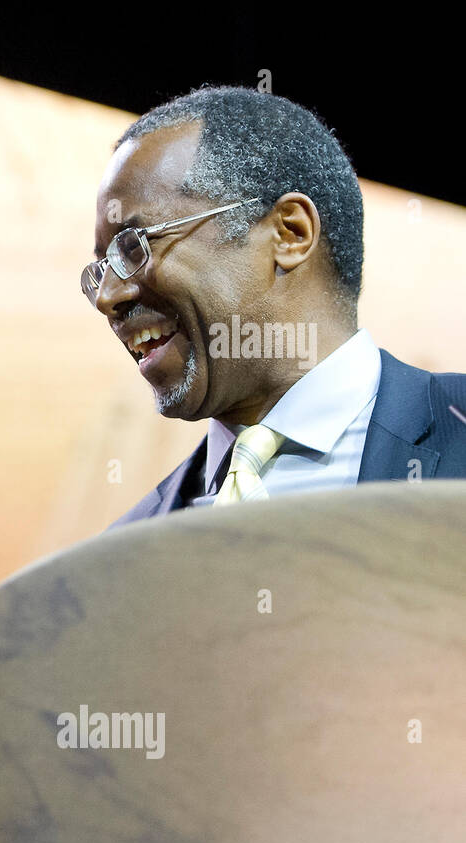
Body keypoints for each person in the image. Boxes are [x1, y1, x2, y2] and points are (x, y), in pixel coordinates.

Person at [82, 86, 466, 523]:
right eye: (99, 269)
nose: (106, 297)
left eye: (135, 247)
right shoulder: (127, 551)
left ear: (290, 233)